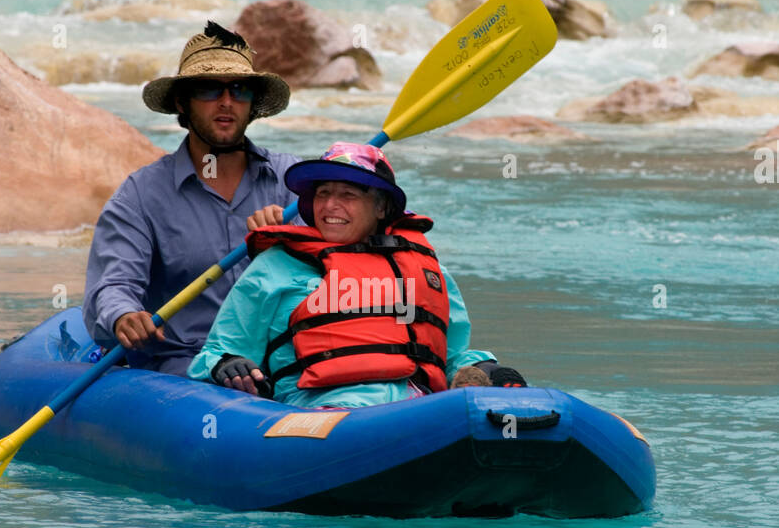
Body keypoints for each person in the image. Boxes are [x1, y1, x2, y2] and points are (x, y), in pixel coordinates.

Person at [188, 143, 526, 407]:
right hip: (321, 410)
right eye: (323, 193)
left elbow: (452, 356)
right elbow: (221, 349)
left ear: (380, 207)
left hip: (418, 405)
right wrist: (226, 364)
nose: (331, 205)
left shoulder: (428, 269)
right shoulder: (275, 266)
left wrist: (486, 369)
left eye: (347, 194)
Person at [82, 21, 298, 375]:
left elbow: (338, 264)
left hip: (283, 363)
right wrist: (123, 314)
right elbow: (115, 284)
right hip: (188, 369)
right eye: (209, 90)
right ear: (182, 103)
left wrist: (289, 246)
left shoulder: (294, 183)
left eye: (240, 90)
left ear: (252, 103)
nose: (226, 102)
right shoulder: (141, 196)